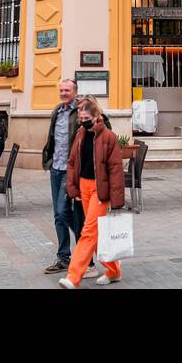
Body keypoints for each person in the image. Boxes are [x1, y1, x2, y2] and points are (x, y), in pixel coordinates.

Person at [58, 97, 125, 289]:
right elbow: (72, 162)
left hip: (100, 189)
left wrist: (117, 200)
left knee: (87, 231)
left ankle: (73, 277)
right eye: (81, 118)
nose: (83, 121)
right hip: (84, 187)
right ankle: (114, 270)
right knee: (96, 233)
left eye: (86, 117)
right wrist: (73, 189)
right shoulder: (80, 134)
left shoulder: (108, 137)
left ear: (97, 116)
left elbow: (116, 169)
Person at [42, 79, 85, 274]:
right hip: (56, 168)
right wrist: (49, 160)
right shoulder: (57, 111)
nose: (63, 93)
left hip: (71, 170)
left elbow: (102, 127)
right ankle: (64, 257)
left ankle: (88, 241)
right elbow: (52, 137)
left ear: (75, 92)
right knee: (58, 215)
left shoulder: (82, 110)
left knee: (62, 212)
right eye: (61, 90)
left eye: (67, 90)